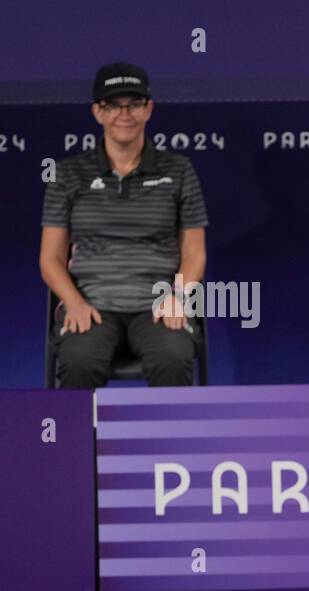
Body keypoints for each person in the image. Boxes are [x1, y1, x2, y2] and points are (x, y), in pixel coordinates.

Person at [40, 62, 209, 388]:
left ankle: (169, 441)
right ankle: (80, 441)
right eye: (113, 105)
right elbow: (50, 259)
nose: (124, 114)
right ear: (97, 112)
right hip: (90, 303)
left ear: (149, 109)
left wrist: (177, 296)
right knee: (79, 360)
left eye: (134, 104)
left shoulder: (179, 170)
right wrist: (74, 302)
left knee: (173, 357)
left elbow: (195, 253)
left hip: (159, 305)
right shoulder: (67, 174)